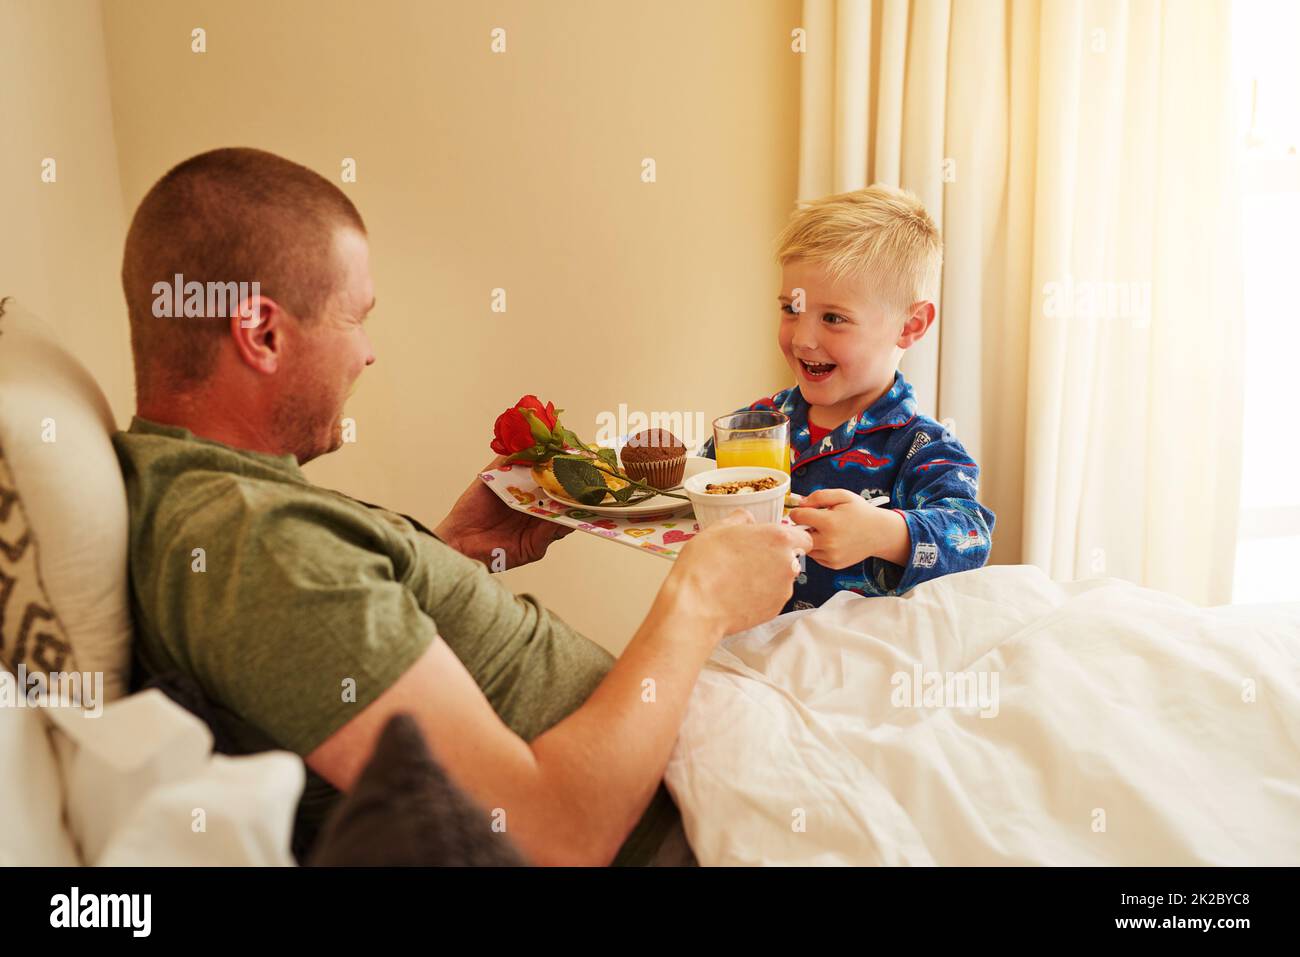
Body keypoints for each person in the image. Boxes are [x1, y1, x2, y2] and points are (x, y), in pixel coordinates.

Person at [112, 147, 813, 866]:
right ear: (263, 334)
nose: (368, 354)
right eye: (356, 319)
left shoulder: (217, 495)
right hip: (689, 835)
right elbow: (552, 834)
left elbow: (352, 631)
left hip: (702, 770)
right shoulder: (253, 543)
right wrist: (699, 602)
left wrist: (465, 550)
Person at [701, 185, 995, 611]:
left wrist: (882, 532)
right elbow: (690, 491)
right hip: (744, 649)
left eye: (833, 318)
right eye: (791, 309)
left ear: (910, 326)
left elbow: (970, 537)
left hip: (854, 664)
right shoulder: (755, 423)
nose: (802, 338)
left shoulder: (922, 449)